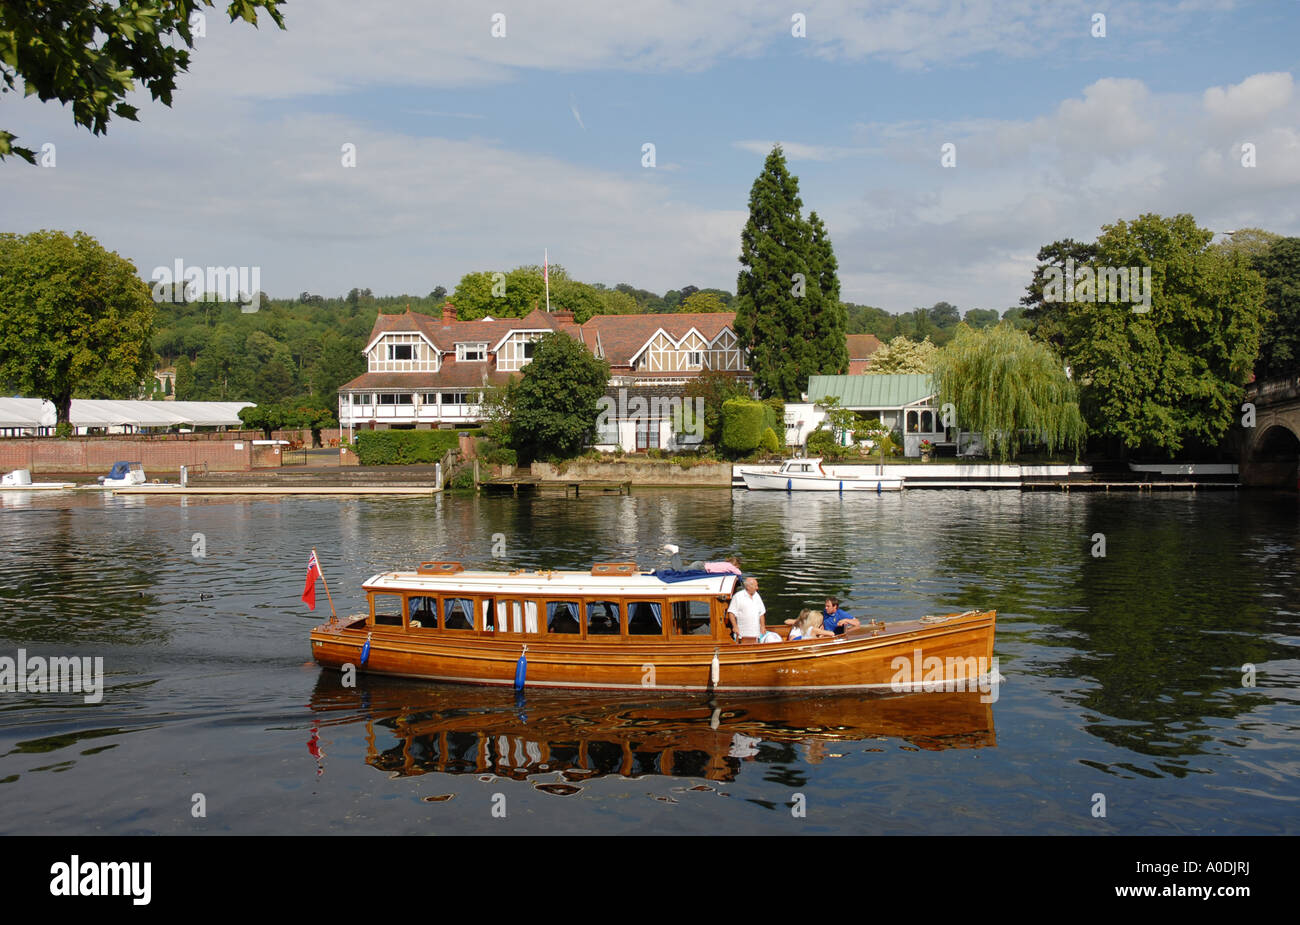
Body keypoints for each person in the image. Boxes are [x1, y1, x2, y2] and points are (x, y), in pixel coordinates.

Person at [726, 576, 766, 644]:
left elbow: (761, 613)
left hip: (756, 633)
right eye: (755, 586)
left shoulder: (757, 596)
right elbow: (731, 613)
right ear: (748, 587)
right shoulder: (738, 597)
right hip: (742, 634)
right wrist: (735, 627)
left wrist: (762, 626)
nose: (757, 588)